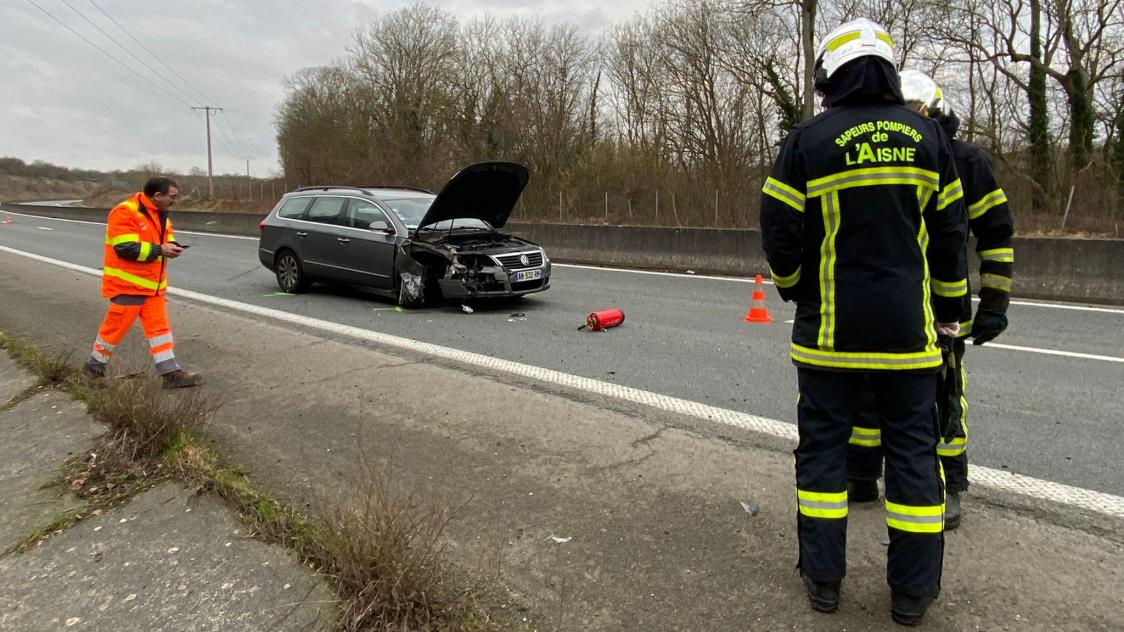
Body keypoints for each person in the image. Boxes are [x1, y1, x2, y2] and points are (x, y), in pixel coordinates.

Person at [759, 18, 968, 626]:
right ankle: (912, 595)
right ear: (887, 70)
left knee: (823, 455)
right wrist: (951, 311)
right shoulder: (929, 139)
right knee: (914, 455)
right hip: (910, 339)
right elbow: (951, 239)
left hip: (829, 336)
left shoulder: (810, 142)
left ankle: (824, 580)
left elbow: (778, 230)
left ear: (833, 74)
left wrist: (797, 289)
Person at [848, 70, 1015, 530]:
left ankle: (949, 484)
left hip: (939, 304)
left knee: (942, 393)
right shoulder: (878, 155)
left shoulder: (966, 162)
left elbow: (995, 233)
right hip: (888, 298)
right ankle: (861, 474)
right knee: (864, 389)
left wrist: (994, 302)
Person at [81, 176, 200, 388]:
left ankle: (170, 373)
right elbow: (125, 248)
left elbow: (166, 240)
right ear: (157, 196)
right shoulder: (125, 212)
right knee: (113, 330)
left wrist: (172, 246)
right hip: (128, 286)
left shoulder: (162, 215)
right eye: (171, 197)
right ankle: (93, 370)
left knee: (160, 331)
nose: (174, 200)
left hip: (153, 288)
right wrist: (160, 250)